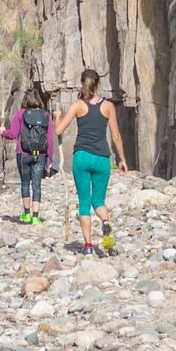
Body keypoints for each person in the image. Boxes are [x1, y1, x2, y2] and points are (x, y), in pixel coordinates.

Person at [55, 70, 127, 253]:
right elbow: (116, 136)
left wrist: (57, 118)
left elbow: (59, 131)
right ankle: (106, 221)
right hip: (102, 158)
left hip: (82, 157)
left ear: (82, 83)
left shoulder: (77, 105)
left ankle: (87, 247)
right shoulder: (108, 106)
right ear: (98, 84)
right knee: (99, 201)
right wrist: (122, 159)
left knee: (84, 202)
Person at [0, 82, 56, 225]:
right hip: (41, 154)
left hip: (23, 153)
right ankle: (36, 216)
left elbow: (12, 134)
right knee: (37, 184)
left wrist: (2, 132)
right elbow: (49, 138)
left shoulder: (21, 114)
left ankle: (26, 214)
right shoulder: (46, 115)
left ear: (25, 99)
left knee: (25, 183)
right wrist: (50, 157)